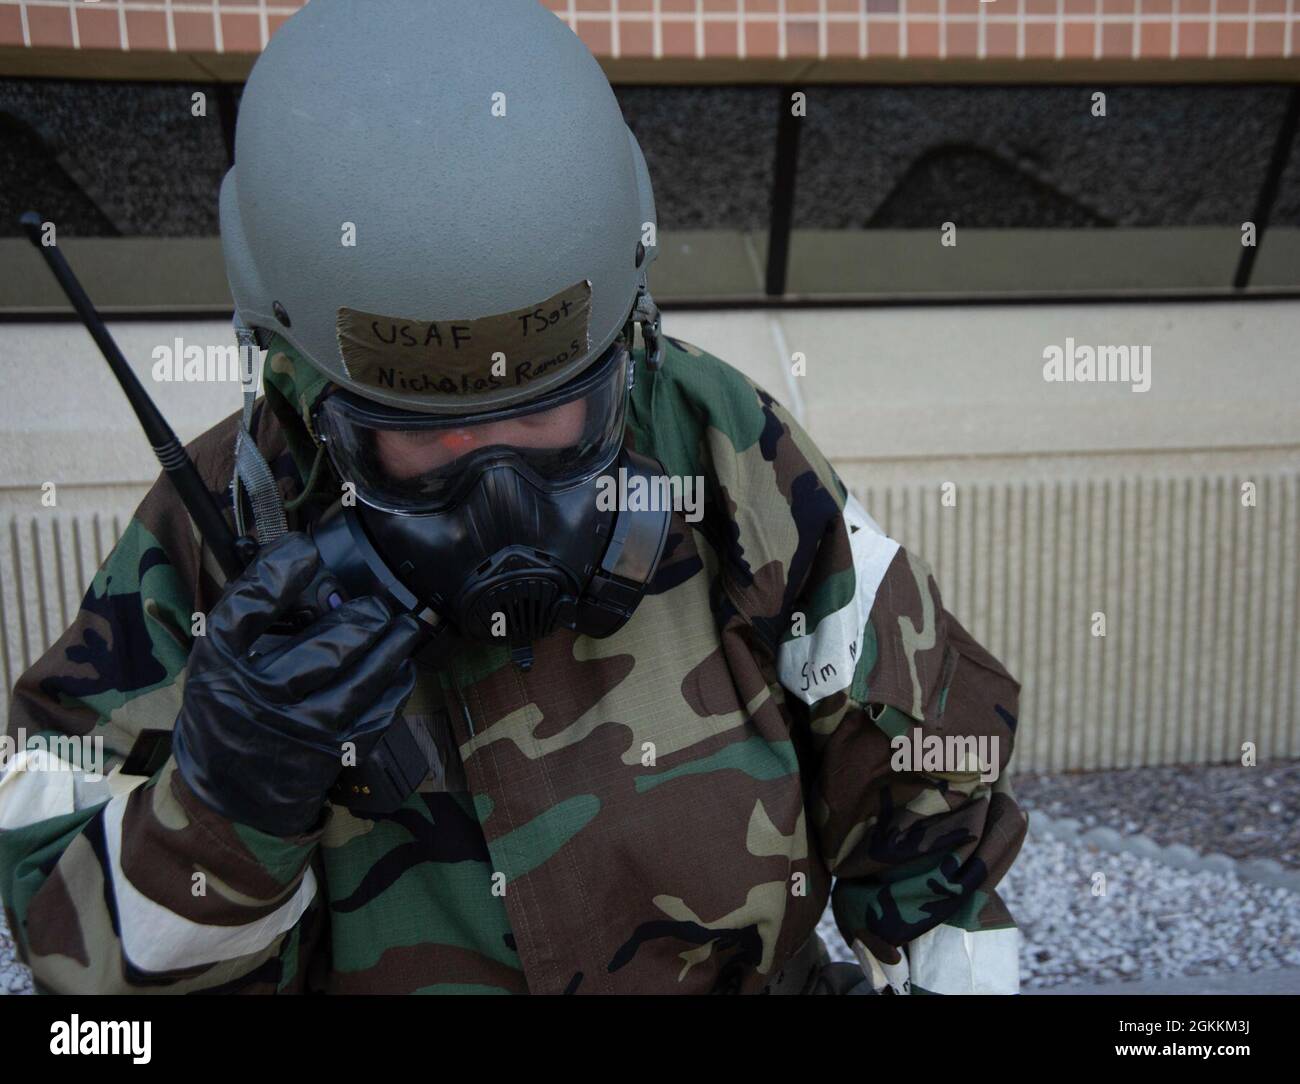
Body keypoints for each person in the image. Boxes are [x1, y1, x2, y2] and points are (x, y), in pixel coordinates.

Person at [0, 0, 1026, 995]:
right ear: (304, 386)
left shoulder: (720, 447)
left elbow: (915, 754)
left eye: (545, 422)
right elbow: (82, 974)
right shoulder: (214, 532)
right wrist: (226, 800)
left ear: (623, 346)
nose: (500, 500)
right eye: (428, 435)